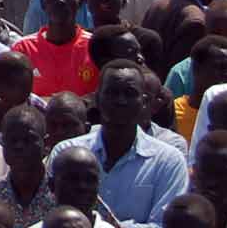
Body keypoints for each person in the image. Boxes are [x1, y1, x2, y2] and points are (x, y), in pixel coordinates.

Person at [48, 60, 191, 228]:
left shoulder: (168, 161)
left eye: (129, 93)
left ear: (144, 102)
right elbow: (48, 215)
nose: (120, 101)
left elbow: (165, 225)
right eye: (112, 93)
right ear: (98, 99)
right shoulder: (66, 153)